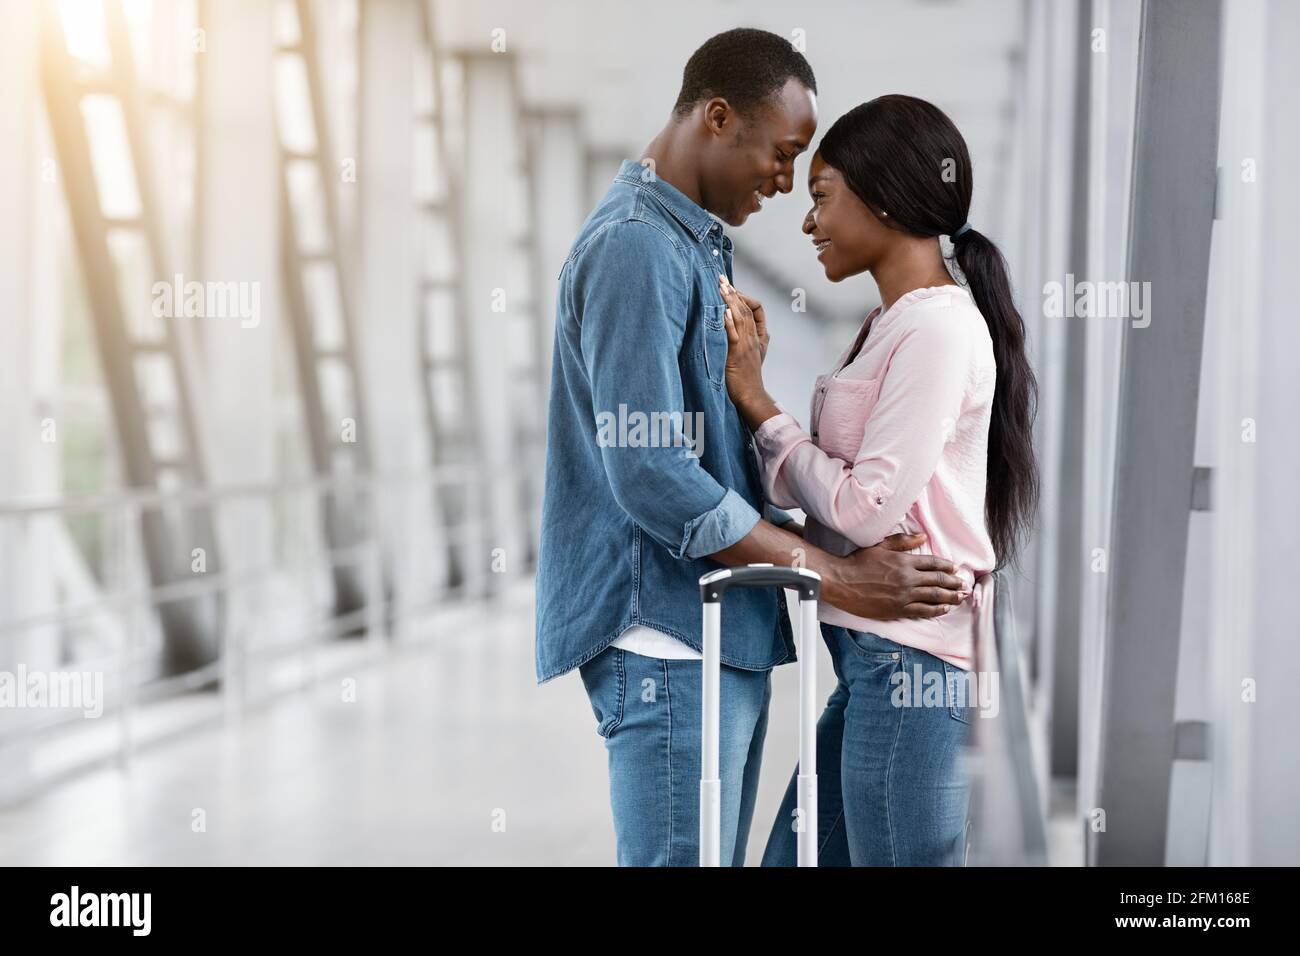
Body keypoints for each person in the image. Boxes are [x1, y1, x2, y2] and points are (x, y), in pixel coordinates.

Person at [535, 36, 967, 867]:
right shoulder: (636, 248)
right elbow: (652, 474)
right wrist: (835, 574)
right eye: (781, 153)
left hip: (712, 628)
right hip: (664, 634)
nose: (782, 182)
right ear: (718, 117)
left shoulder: (690, 248)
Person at [719, 94, 1039, 866]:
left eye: (821, 197)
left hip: (911, 667)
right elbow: (828, 495)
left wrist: (761, 404)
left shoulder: (936, 327)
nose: (807, 224)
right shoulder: (888, 325)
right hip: (876, 666)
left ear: (885, 193)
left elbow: (863, 509)